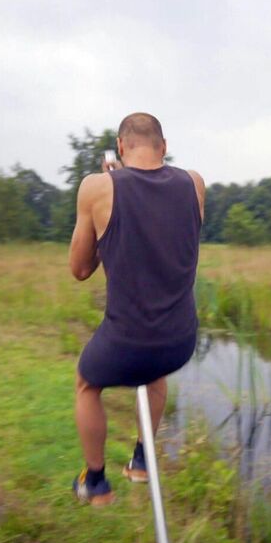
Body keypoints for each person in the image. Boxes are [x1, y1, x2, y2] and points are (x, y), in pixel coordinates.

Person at [68, 112, 205, 505]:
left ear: (121, 146)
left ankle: (95, 482)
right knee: (155, 374)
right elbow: (167, 231)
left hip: (126, 342)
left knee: (87, 384)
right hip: (180, 341)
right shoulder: (194, 184)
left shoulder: (96, 188)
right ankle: (142, 461)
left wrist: (105, 190)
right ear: (163, 147)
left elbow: (80, 269)